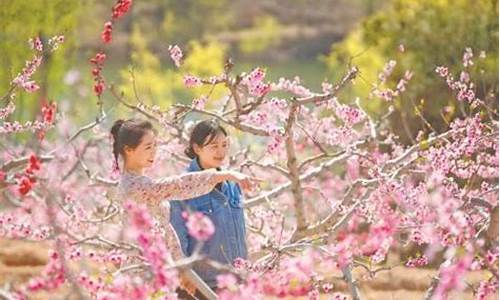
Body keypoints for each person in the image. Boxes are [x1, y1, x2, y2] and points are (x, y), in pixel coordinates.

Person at [111, 118, 258, 299]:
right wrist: (224, 174)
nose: (154, 152)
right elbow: (177, 185)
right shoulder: (133, 187)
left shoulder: (141, 182)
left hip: (163, 266)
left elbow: (166, 232)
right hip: (145, 271)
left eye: (155, 145)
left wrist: (182, 267)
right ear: (128, 150)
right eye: (148, 147)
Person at [170, 120, 249, 291]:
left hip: (236, 283)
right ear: (197, 148)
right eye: (214, 146)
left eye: (224, 145)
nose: (221, 151)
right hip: (202, 286)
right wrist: (185, 276)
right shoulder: (182, 186)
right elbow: (177, 240)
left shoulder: (233, 183)